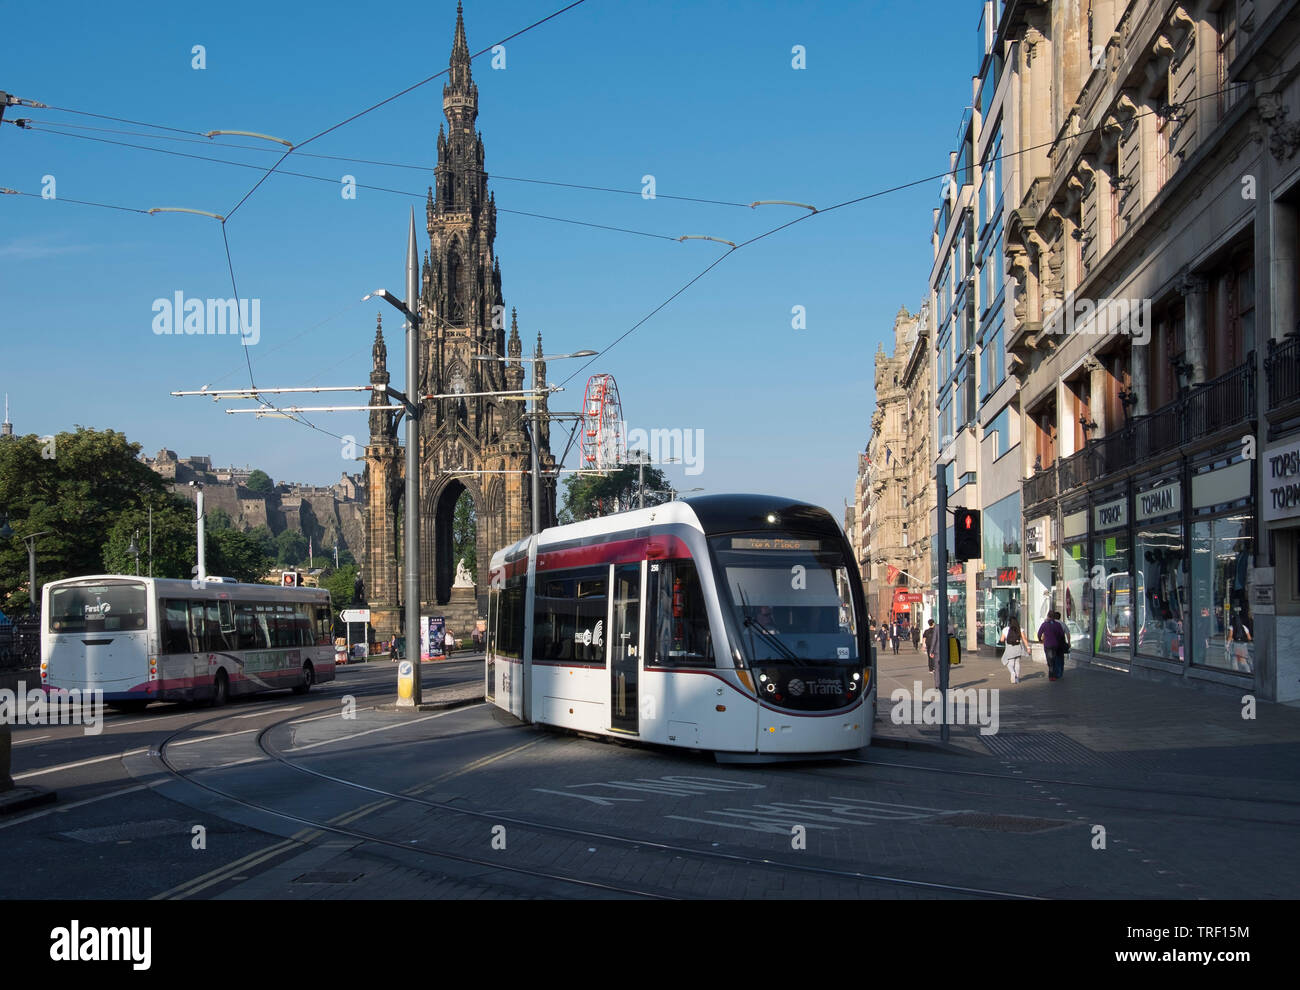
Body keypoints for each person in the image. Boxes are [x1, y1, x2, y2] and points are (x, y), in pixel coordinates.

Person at [1038, 610, 1067, 681]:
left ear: (1048, 616)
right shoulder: (1058, 625)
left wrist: (1040, 640)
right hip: (1055, 644)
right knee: (1054, 658)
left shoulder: (1044, 624)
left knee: (1049, 659)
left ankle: (1051, 674)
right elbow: (1062, 635)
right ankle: (1054, 673)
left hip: (1047, 645)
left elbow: (1039, 633)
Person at [998, 616, 1026, 684]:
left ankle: (1012, 672)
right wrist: (1027, 647)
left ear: (1009, 622)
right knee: (1017, 663)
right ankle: (1017, 678)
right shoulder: (1020, 629)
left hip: (1010, 648)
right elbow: (1024, 639)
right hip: (1018, 648)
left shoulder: (1005, 629)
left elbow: (1001, 639)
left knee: (1010, 663)